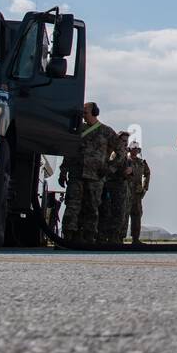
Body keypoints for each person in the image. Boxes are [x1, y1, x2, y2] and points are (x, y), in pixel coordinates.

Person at [58, 102, 115, 246]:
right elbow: (69, 152)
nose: (83, 115)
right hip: (76, 174)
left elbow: (120, 152)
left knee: (92, 208)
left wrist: (109, 168)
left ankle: (89, 238)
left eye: (86, 112)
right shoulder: (78, 130)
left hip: (95, 177)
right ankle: (69, 237)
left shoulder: (106, 132)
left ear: (94, 112)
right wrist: (63, 171)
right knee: (72, 206)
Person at [100, 131, 132, 244]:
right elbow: (110, 170)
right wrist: (124, 172)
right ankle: (110, 237)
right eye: (123, 141)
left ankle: (116, 237)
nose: (125, 143)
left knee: (121, 214)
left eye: (126, 141)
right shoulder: (115, 154)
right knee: (112, 213)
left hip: (122, 187)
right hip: (113, 187)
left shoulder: (125, 156)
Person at [125, 144, 150, 246]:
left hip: (137, 193)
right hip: (126, 192)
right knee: (124, 215)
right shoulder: (126, 161)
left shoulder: (141, 163)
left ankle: (135, 239)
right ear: (129, 150)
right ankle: (119, 238)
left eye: (137, 149)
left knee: (137, 215)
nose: (135, 151)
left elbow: (147, 173)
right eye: (133, 149)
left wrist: (145, 187)